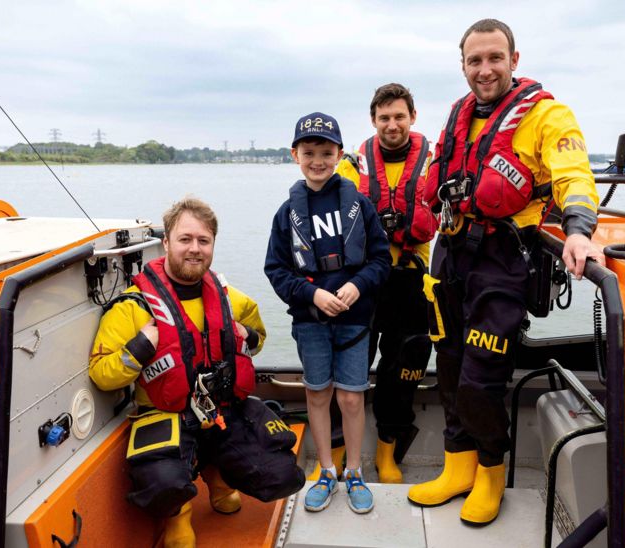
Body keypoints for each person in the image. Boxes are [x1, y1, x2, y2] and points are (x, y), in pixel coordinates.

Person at [408, 19, 605, 526]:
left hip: (503, 261)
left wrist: (580, 229)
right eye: (475, 61)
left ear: (514, 61)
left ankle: (491, 472)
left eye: (495, 58)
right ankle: (457, 467)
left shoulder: (546, 116)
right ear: (464, 66)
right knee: (449, 368)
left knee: (481, 378)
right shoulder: (458, 116)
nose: (485, 69)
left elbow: (575, 177)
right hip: (450, 255)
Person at [89, 197, 304, 548]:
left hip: (221, 411)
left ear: (213, 246)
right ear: (166, 243)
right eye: (185, 239)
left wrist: (245, 334)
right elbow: (101, 373)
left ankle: (218, 479)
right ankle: (180, 515)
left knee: (281, 475)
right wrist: (140, 347)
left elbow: (258, 337)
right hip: (166, 413)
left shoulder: (228, 297)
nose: (194, 249)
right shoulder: (132, 307)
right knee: (163, 485)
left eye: (203, 241)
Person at [264, 112, 391, 514]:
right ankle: (326, 470)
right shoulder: (286, 215)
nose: (317, 160)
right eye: (309, 152)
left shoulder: (361, 206)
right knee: (317, 395)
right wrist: (312, 295)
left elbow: (381, 260)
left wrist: (356, 285)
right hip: (311, 322)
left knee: (352, 400)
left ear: (339, 154)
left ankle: (354, 471)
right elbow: (276, 270)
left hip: (355, 321)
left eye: (325, 152)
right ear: (295, 155)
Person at [328, 83, 437, 483]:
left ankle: (387, 454)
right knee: (348, 368)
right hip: (363, 282)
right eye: (384, 118)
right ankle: (338, 452)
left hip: (411, 280)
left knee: (402, 370)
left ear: (413, 117)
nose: (392, 124)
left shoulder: (434, 161)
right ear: (373, 121)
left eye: (399, 116)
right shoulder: (352, 165)